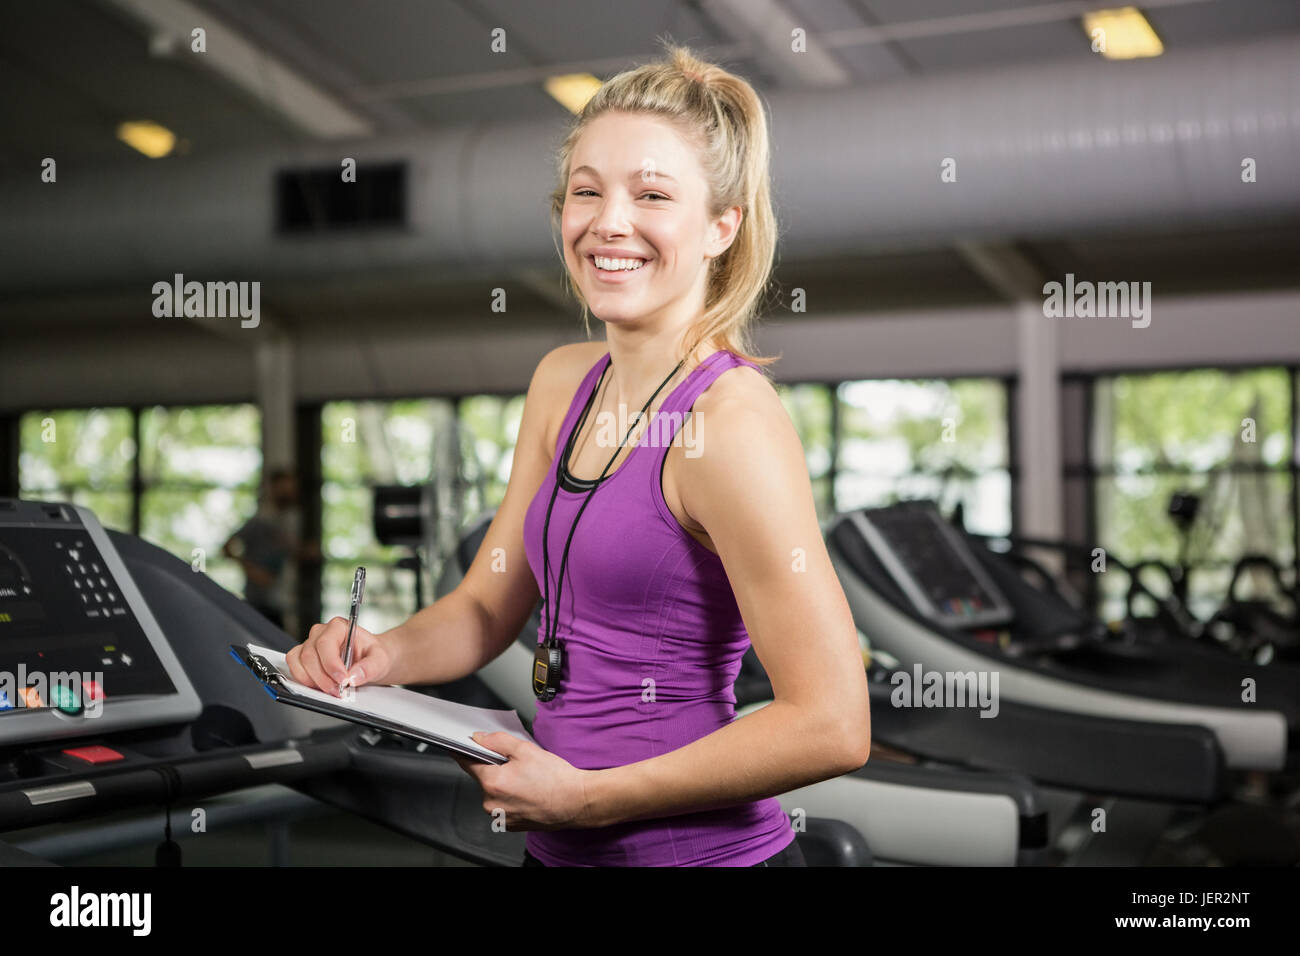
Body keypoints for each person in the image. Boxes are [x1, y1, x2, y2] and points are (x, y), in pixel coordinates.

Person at [285, 41, 871, 867]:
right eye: (587, 191)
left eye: (652, 195)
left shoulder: (729, 422)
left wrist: (589, 798)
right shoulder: (563, 382)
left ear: (721, 226)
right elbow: (485, 606)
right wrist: (386, 654)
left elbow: (834, 723)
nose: (609, 222)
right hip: (557, 849)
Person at [224, 467, 315, 633]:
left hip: (280, 602)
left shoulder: (289, 521)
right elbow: (227, 548)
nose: (290, 492)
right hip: (259, 602)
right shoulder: (260, 522)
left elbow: (293, 553)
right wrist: (253, 570)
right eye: (285, 488)